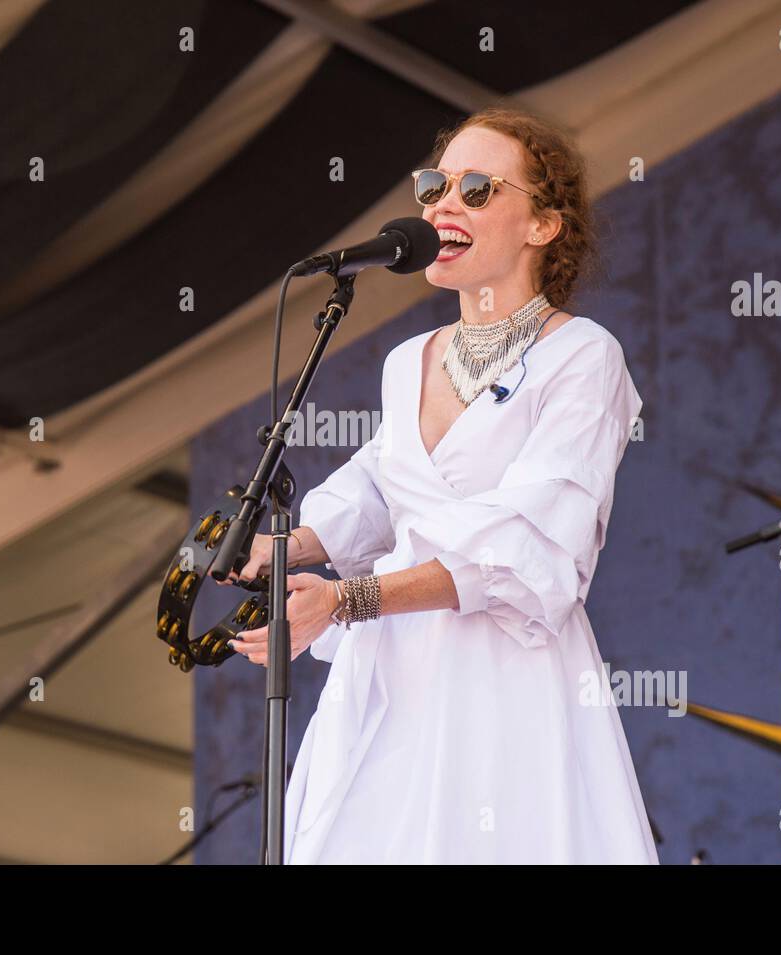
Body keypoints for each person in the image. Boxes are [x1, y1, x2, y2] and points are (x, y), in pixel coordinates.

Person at [223, 107, 655, 863]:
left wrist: (347, 599)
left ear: (543, 226)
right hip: (392, 675)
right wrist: (277, 547)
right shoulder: (409, 359)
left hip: (502, 677)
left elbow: (528, 547)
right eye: (435, 184)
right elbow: (380, 488)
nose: (441, 205)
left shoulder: (584, 357)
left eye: (478, 188)